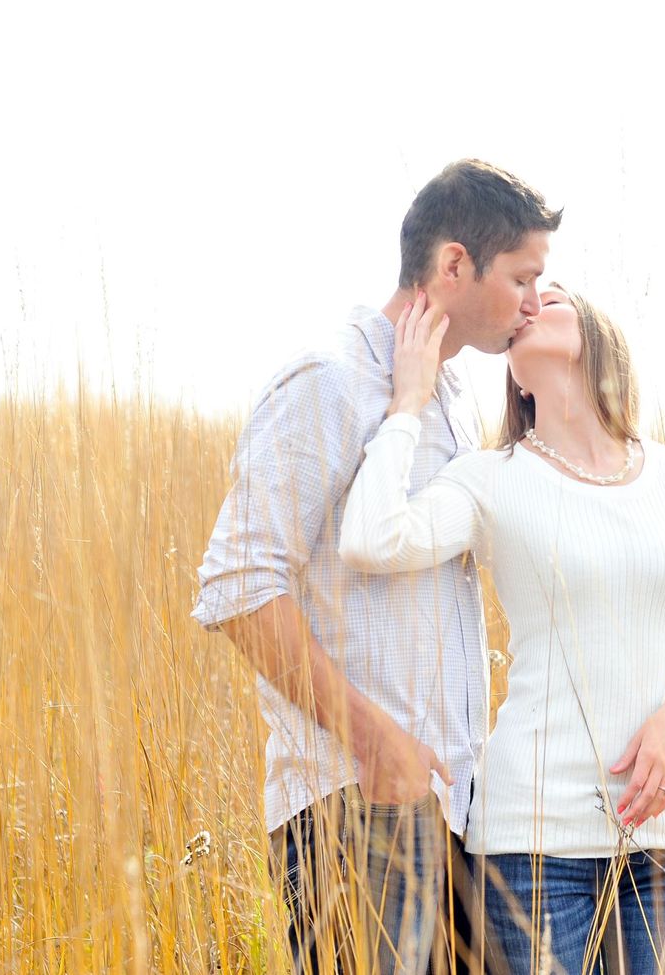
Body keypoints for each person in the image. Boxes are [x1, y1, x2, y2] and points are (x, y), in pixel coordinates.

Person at [190, 158, 561, 974]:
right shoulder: (330, 379)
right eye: (523, 277)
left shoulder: (457, 397)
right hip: (354, 810)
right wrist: (375, 741)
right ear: (455, 264)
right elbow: (239, 587)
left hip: (453, 813)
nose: (535, 301)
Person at [338, 285, 665, 973]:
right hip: (533, 840)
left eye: (547, 297)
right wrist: (407, 403)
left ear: (596, 334)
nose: (527, 307)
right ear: (513, 377)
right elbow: (372, 540)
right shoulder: (491, 480)